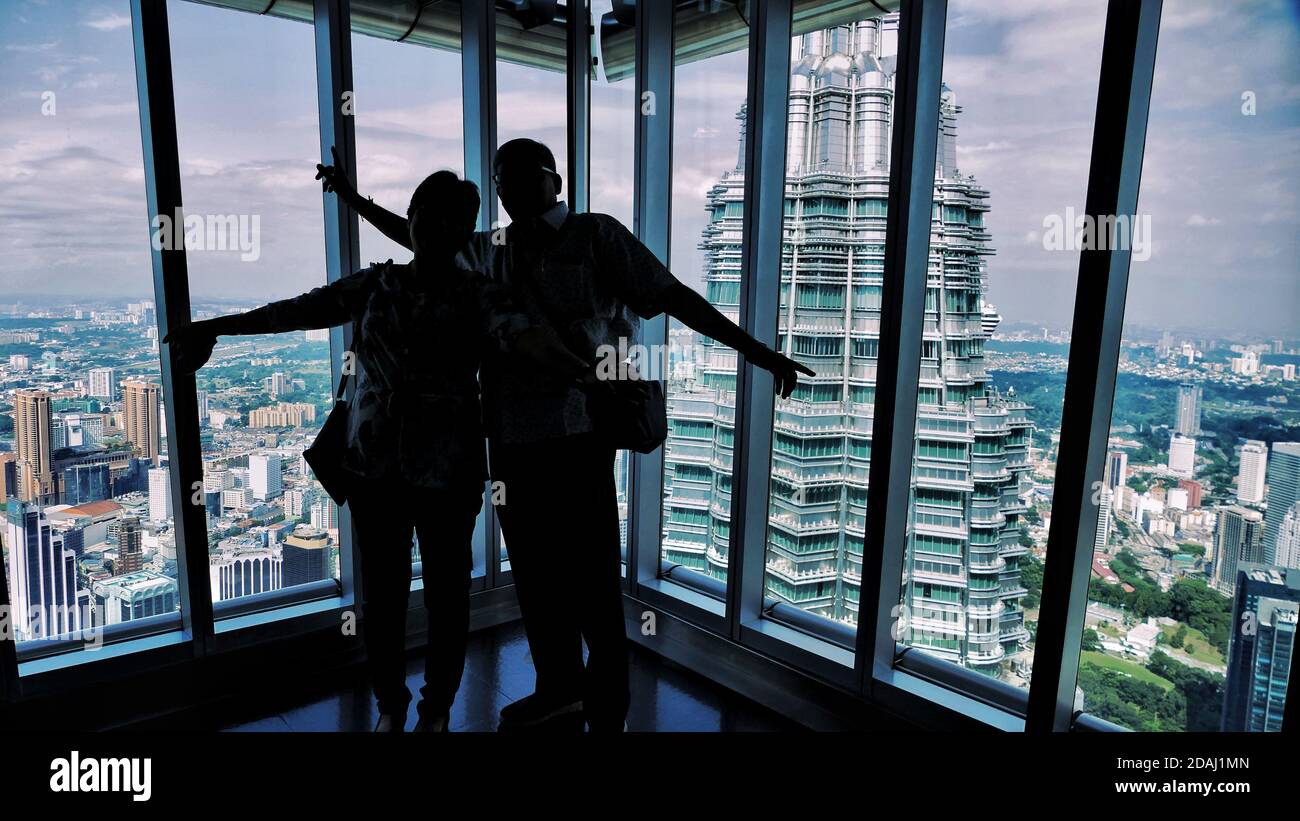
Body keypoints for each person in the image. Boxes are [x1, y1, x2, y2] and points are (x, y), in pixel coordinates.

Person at [317, 140, 814, 732]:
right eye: (501, 180)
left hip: (580, 435)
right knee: (533, 573)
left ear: (556, 180)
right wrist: (354, 199)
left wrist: (760, 354)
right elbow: (421, 236)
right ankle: (559, 688)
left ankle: (607, 704)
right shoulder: (492, 248)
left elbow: (672, 294)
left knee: (592, 575)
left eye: (525, 176)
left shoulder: (595, 235)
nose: (510, 189)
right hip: (509, 440)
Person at [165, 170, 590, 733]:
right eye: (425, 213)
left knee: (429, 595)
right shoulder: (400, 287)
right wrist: (217, 325)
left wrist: (589, 377)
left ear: (462, 231)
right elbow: (295, 310)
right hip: (402, 466)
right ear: (412, 216)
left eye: (448, 222)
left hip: (414, 465)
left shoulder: (456, 293)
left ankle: (427, 708)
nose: (431, 228)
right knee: (410, 596)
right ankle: (401, 706)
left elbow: (527, 338)